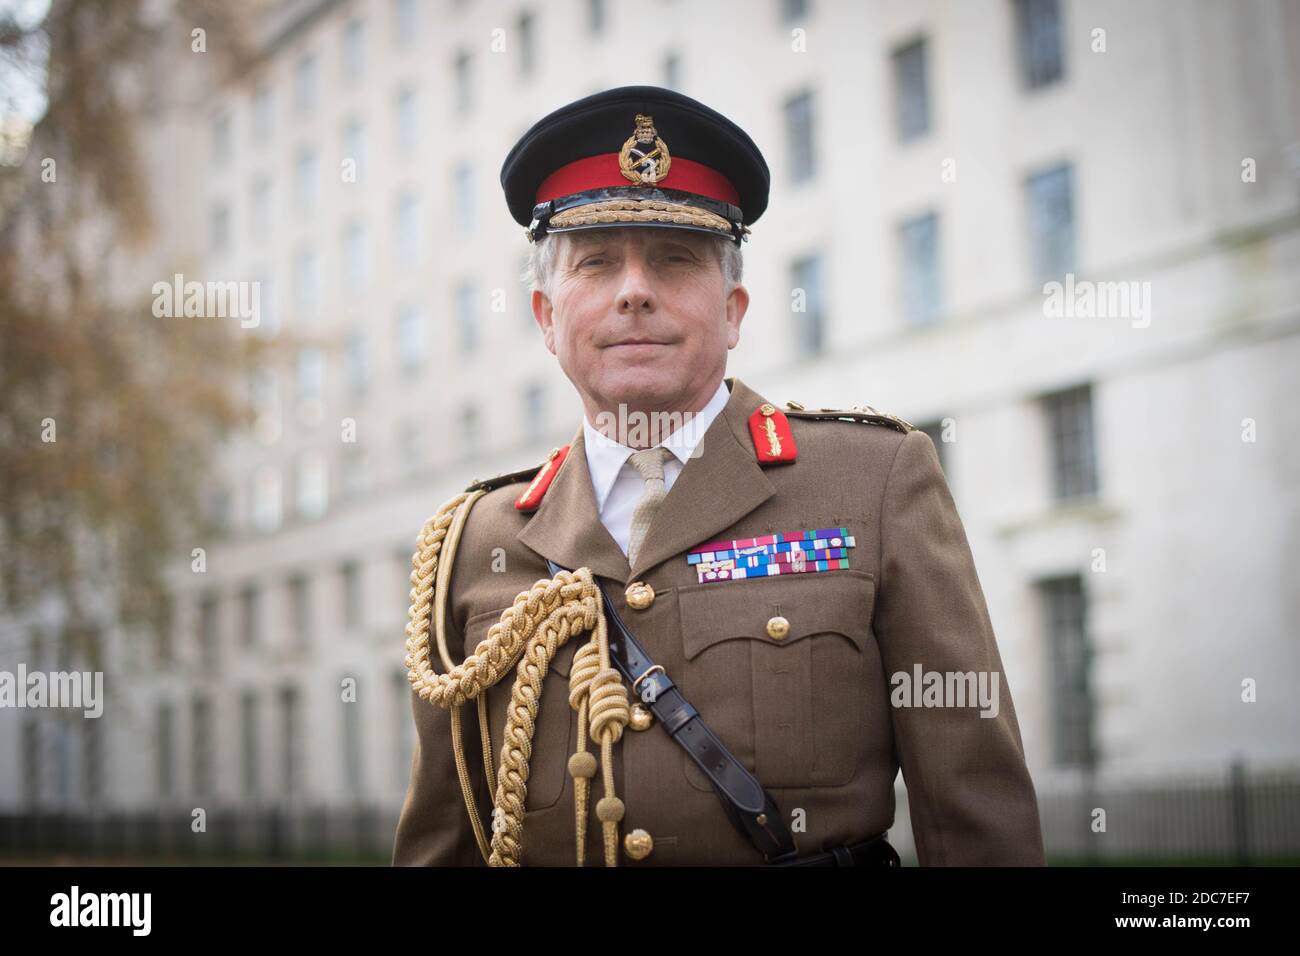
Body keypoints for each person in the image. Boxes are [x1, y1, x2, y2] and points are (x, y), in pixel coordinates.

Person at [392, 85, 1046, 867]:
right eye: (596, 263)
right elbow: (446, 840)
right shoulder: (476, 543)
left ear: (734, 310)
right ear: (545, 317)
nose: (634, 290)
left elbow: (977, 814)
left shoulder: (874, 483)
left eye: (675, 260)